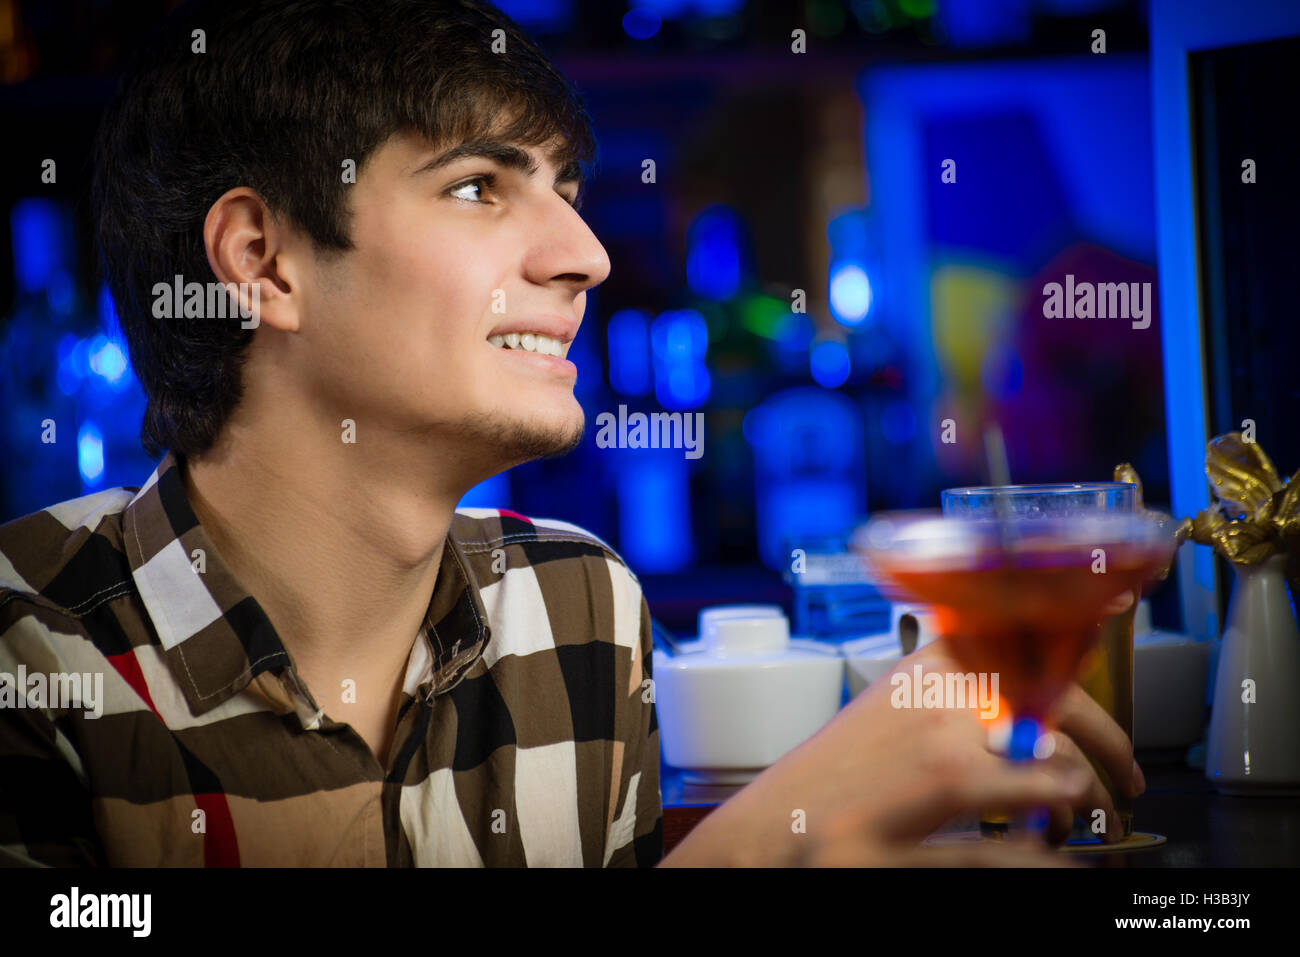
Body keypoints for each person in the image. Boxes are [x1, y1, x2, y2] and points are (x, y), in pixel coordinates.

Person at [0, 0, 1142, 867]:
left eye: (565, 189)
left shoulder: (577, 608)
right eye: (478, 189)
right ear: (260, 260)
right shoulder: (31, 654)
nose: (586, 256)